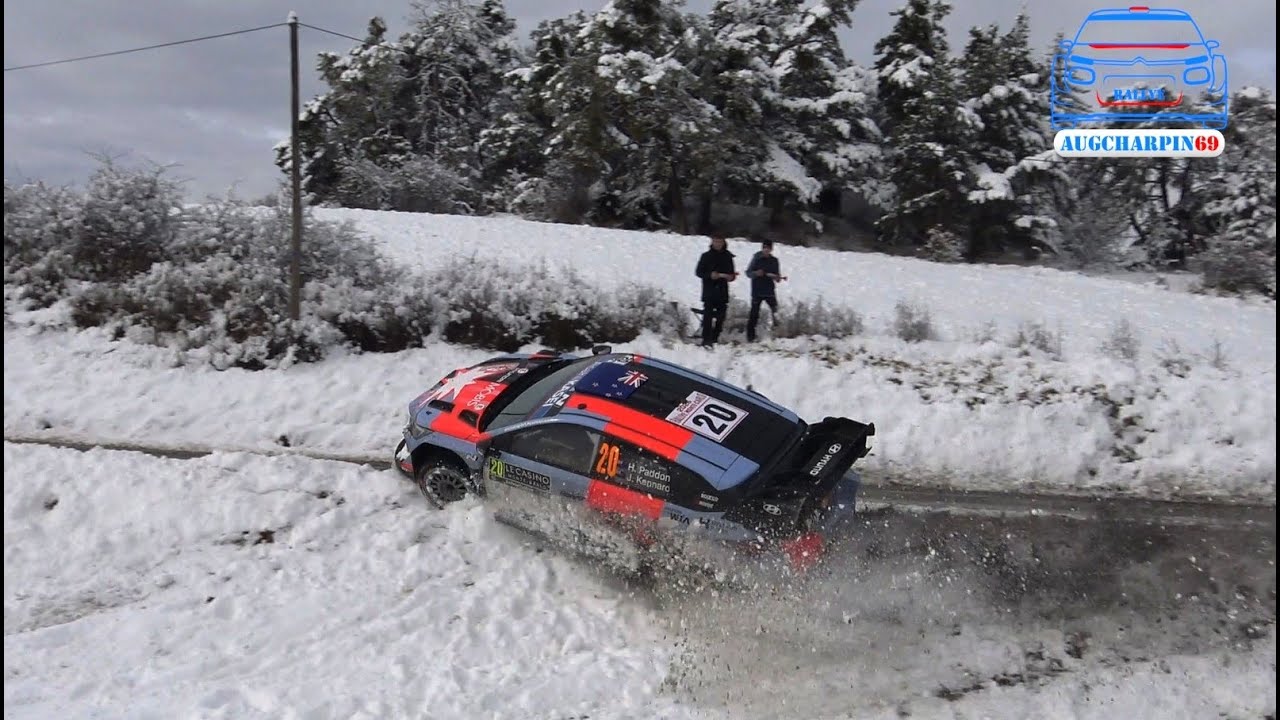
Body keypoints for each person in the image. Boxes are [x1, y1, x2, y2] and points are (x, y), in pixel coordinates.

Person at [694, 235, 736, 347]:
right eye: (715, 241)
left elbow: (732, 273)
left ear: (723, 242)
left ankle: (715, 338)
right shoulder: (706, 256)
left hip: (722, 291)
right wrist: (709, 275)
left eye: (720, 241)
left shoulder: (728, 256)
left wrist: (730, 277)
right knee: (707, 316)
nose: (717, 244)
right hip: (709, 290)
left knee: (721, 316)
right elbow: (698, 272)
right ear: (712, 242)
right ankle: (706, 339)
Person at [745, 239, 785, 342]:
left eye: (768, 248)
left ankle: (777, 335)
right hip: (757, 290)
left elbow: (777, 275)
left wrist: (777, 278)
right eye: (765, 248)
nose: (766, 250)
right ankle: (750, 337)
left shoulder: (774, 260)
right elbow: (748, 273)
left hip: (769, 290)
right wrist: (756, 273)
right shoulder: (756, 258)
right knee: (754, 314)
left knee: (775, 312)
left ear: (771, 249)